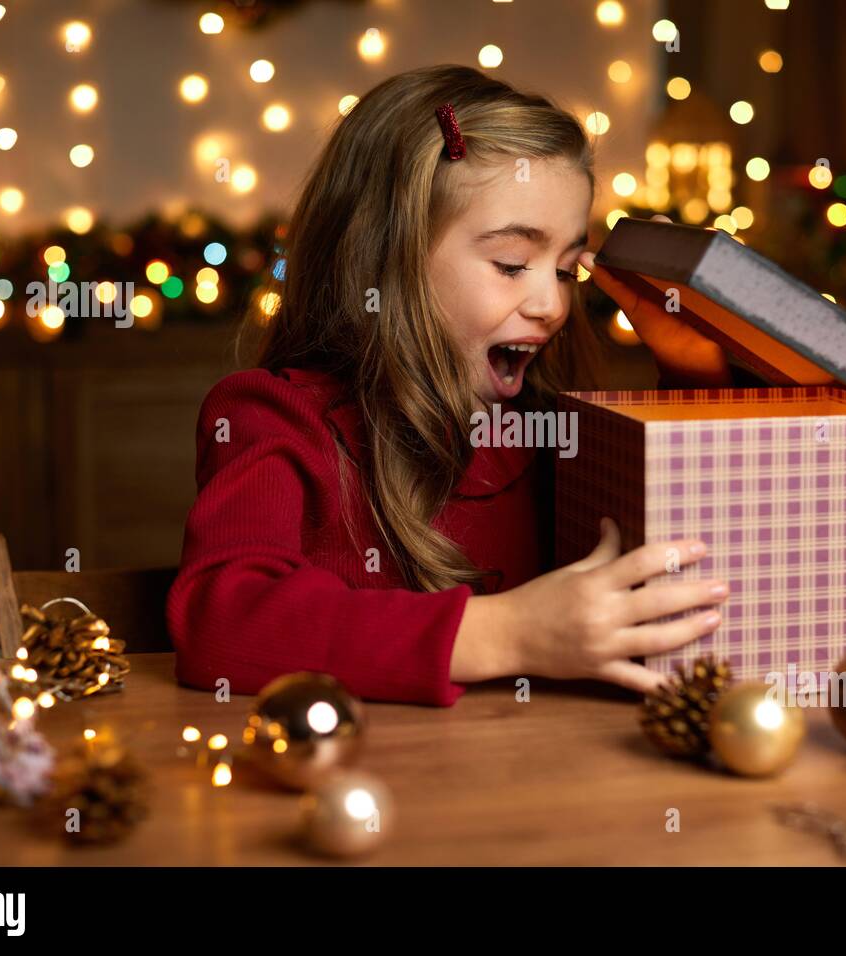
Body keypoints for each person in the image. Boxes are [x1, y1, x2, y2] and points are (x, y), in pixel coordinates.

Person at [167, 65, 732, 706]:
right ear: (387, 261)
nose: (551, 304)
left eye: (568, 269)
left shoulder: (554, 433)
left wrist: (695, 373)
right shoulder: (275, 418)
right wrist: (510, 633)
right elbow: (222, 622)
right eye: (512, 265)